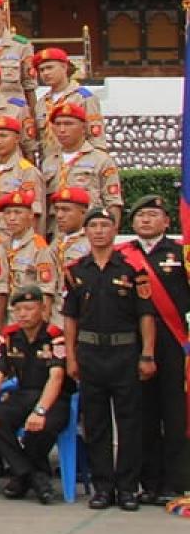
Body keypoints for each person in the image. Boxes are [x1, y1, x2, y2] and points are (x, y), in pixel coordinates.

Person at [63, 206, 156, 511]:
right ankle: (102, 487)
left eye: (105, 225)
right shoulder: (76, 270)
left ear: (115, 231)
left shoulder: (132, 268)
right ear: (86, 232)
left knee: (129, 423)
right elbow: (70, 318)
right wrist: (71, 358)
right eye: (94, 226)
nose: (99, 231)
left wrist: (147, 354)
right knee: (96, 423)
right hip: (90, 354)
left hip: (125, 353)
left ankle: (127, 488)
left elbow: (146, 316)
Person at [118, 194, 187, 504]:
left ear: (166, 221)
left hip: (173, 343)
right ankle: (149, 480)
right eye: (140, 215)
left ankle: (175, 482)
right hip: (135, 343)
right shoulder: (124, 256)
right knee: (143, 414)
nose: (145, 220)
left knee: (174, 414)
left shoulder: (180, 254)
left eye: (152, 215)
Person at [0, 288, 69, 504]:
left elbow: (56, 377)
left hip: (54, 397)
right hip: (23, 393)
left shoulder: (55, 336)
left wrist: (40, 411)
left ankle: (22, 476)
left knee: (42, 426)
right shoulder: (9, 337)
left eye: (29, 308)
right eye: (18, 309)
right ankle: (34, 476)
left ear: (43, 308)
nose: (23, 314)